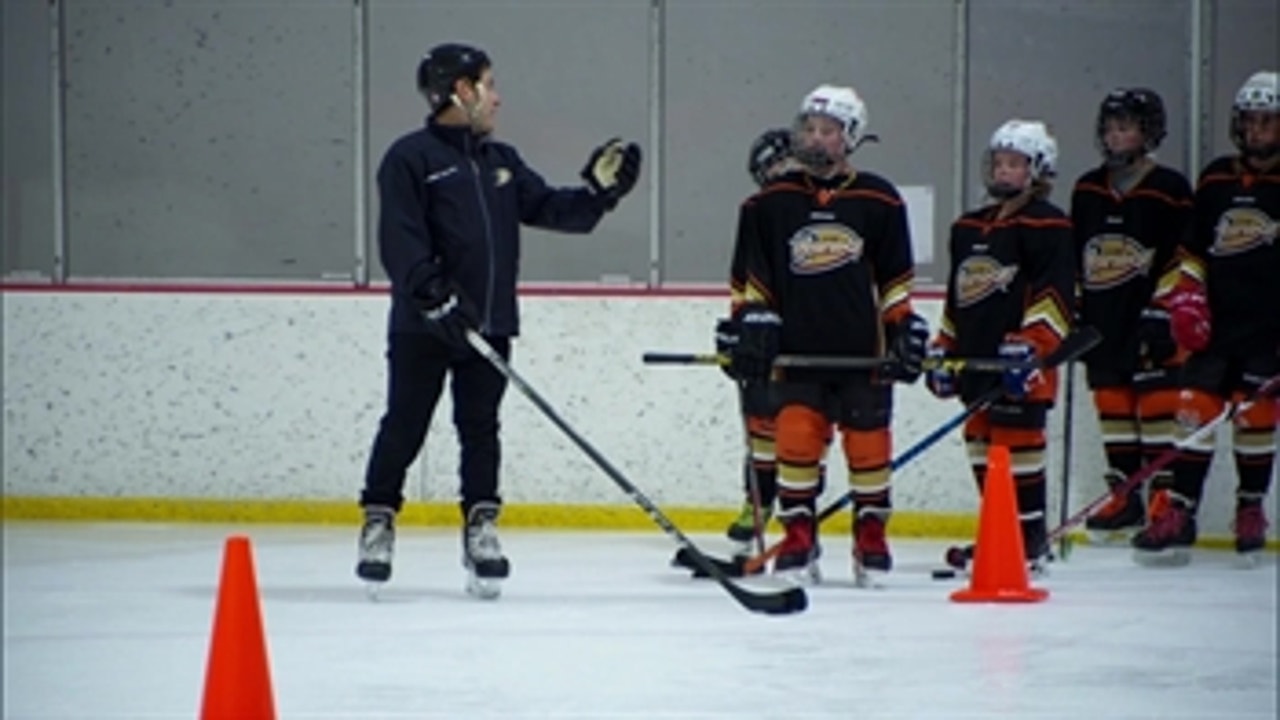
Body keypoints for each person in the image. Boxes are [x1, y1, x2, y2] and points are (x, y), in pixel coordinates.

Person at [356, 43, 642, 597]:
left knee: (480, 428)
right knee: (406, 423)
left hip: (489, 324)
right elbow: (400, 237)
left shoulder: (500, 161)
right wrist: (429, 293)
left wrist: (599, 196)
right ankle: (378, 520)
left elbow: (555, 210)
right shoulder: (409, 158)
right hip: (425, 324)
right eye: (489, 84)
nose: (498, 96)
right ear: (461, 91)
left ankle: (481, 527)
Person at [729, 85, 928, 585]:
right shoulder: (768, 203)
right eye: (809, 129)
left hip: (863, 353)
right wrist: (750, 322)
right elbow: (751, 279)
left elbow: (895, 283)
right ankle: (799, 534)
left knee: (868, 448)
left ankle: (870, 533)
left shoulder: (879, 199)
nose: (815, 140)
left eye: (828, 131)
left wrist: (903, 328)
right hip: (795, 352)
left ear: (851, 137)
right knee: (794, 438)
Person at [1132, 70, 1279, 566]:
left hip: (1267, 327)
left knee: (1255, 417)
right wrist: (1184, 297)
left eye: (1268, 122)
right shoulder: (1216, 177)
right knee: (1193, 409)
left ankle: (1250, 506)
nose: (1258, 131)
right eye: (1251, 121)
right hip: (1216, 326)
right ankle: (1180, 510)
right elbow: (1192, 249)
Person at [926, 119, 1075, 574]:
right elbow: (959, 295)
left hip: (1022, 361)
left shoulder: (1050, 225)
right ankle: (1001, 533)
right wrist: (944, 347)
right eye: (998, 162)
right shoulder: (967, 227)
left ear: (1038, 170)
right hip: (976, 355)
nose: (1003, 171)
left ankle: (1029, 540)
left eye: (1015, 164)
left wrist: (1032, 346)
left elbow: (1055, 295)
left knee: (1017, 444)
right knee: (980, 442)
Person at [1069, 88, 1194, 542]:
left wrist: (1165, 308)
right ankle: (1125, 495)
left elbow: (1185, 252)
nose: (1116, 136)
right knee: (1113, 404)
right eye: (1110, 127)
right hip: (1104, 314)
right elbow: (1076, 253)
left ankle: (1163, 498)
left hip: (1151, 317)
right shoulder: (1086, 188)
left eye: (1126, 128)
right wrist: (1076, 306)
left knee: (1158, 406)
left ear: (1148, 133)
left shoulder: (1170, 189)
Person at [717, 127, 794, 556]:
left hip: (810, 332)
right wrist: (738, 325)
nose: (779, 172)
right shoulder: (756, 211)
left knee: (807, 430)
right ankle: (758, 505)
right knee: (761, 423)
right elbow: (741, 275)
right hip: (764, 332)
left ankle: (802, 519)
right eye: (771, 167)